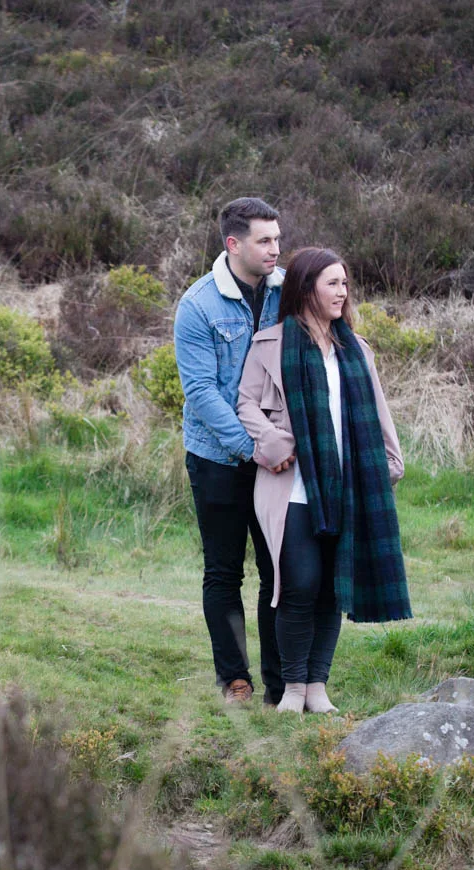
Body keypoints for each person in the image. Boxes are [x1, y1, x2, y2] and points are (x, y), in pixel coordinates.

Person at [236, 247, 411, 714]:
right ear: (307, 287)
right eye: (332, 283)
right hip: (291, 486)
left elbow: (377, 411)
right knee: (299, 586)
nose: (342, 292)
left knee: (333, 588)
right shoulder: (270, 345)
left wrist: (390, 459)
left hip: (348, 485)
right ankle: (292, 688)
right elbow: (245, 404)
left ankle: (318, 686)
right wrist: (270, 442)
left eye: (345, 283)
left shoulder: (356, 350)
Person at [173, 197, 286, 706]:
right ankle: (234, 679)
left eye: (278, 239)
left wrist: (279, 445)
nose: (275, 249)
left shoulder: (287, 292)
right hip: (217, 459)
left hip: (277, 458)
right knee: (223, 570)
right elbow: (201, 394)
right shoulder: (198, 305)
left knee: (278, 568)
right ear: (233, 243)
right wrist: (252, 448)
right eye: (264, 240)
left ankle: (280, 681)